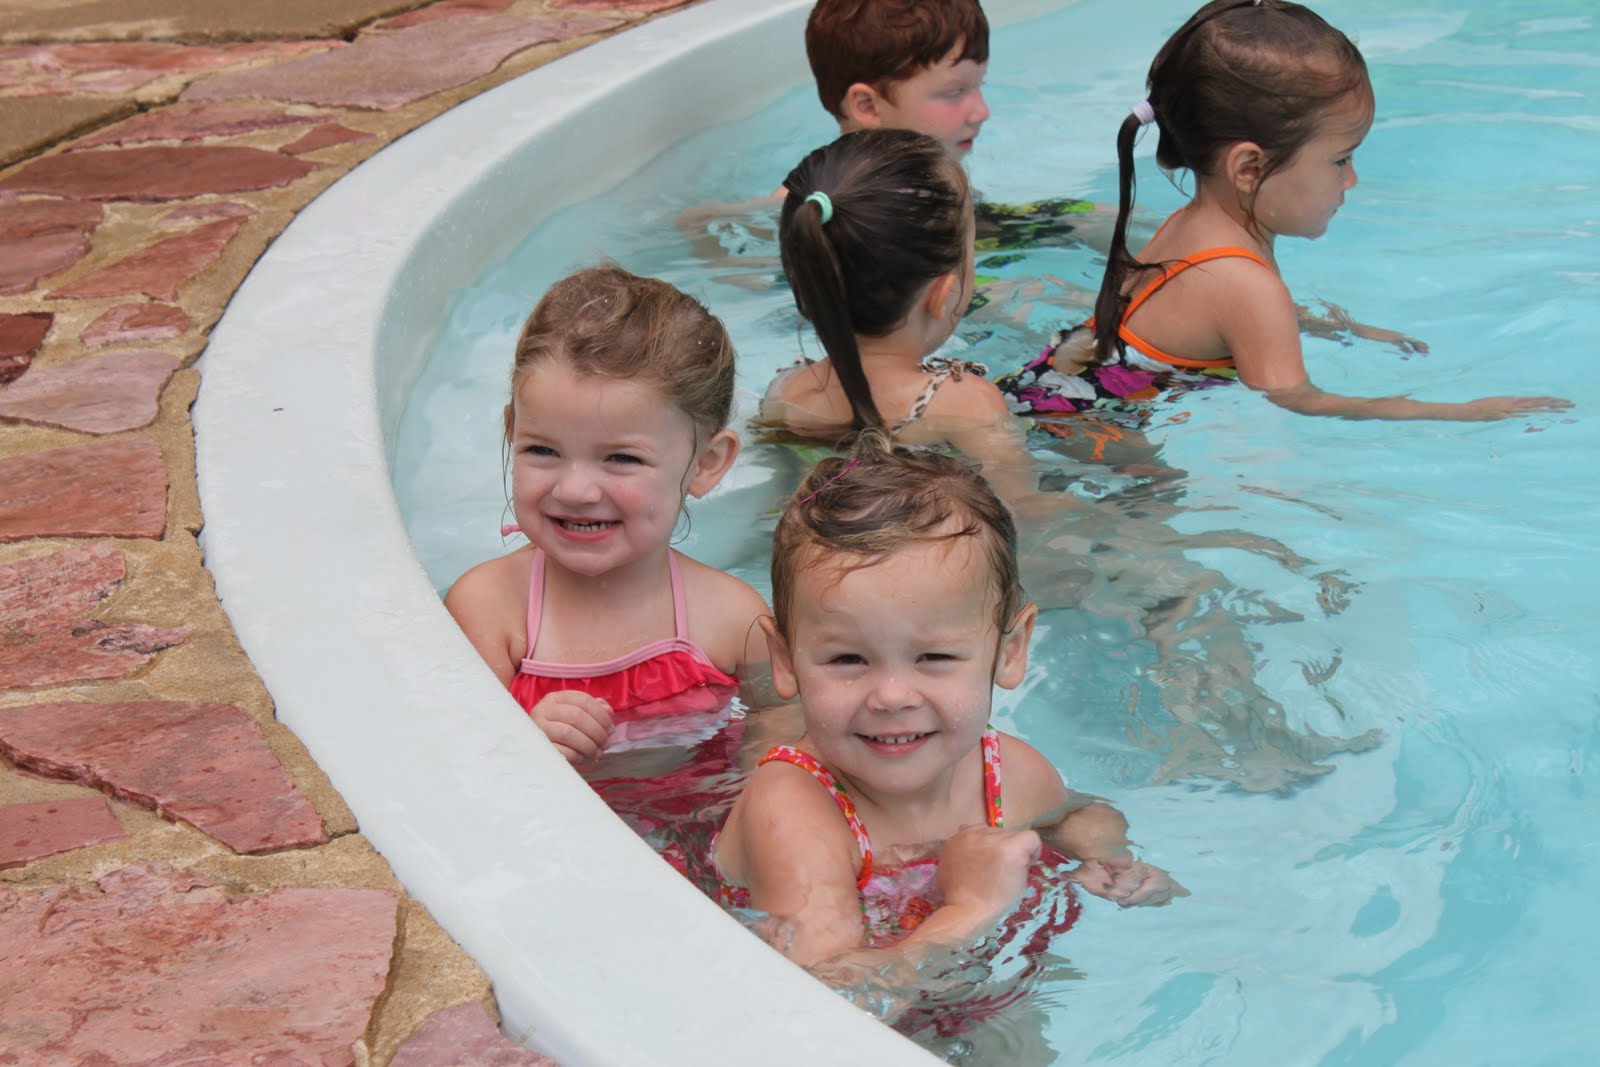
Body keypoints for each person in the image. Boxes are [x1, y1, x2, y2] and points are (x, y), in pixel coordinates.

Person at [713, 439, 1185, 983]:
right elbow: (831, 1001)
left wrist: (1110, 858)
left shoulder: (1008, 774)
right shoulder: (794, 811)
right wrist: (971, 908)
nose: (891, 696)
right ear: (785, 659)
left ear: (1009, 651)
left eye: (934, 657)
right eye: (847, 658)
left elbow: (1077, 813)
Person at [1002, 0, 1571, 422]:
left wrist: (1339, 329)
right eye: (1340, 160)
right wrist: (1460, 412)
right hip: (1087, 436)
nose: (1352, 180)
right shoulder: (1249, 285)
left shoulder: (1192, 225)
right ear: (1248, 168)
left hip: (1048, 387)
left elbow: (1212, 323)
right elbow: (1296, 398)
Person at [444, 265, 770, 765]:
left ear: (706, 464)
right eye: (542, 450)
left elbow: (781, 752)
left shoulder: (733, 621)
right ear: (512, 430)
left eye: (622, 458)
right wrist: (521, 748)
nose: (574, 490)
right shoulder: (489, 611)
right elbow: (448, 765)